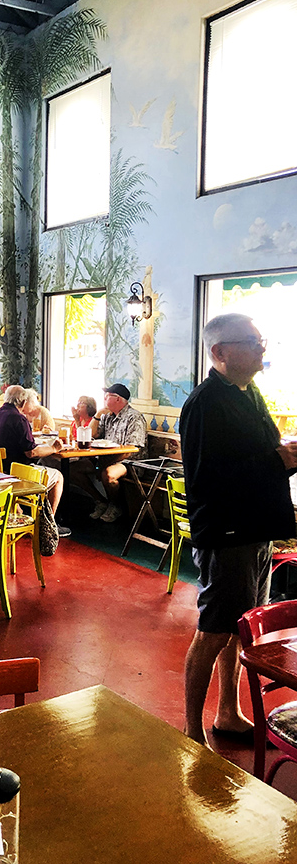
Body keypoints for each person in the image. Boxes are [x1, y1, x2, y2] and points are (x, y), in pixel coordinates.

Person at [180, 313, 297, 748]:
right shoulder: (205, 404)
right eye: (251, 341)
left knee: (241, 625)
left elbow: (263, 455)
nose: (262, 348)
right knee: (213, 630)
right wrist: (277, 461)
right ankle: (191, 730)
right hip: (226, 534)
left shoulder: (249, 394)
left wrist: (284, 454)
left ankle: (228, 711)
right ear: (220, 353)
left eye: (262, 339)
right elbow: (208, 479)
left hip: (255, 529)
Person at [0, 385, 70, 535]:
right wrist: (55, 449)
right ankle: (48, 526)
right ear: (22, 402)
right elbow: (31, 452)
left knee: (40, 467)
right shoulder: (18, 419)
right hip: (13, 476)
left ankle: (19, 515)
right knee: (58, 477)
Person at [66, 383, 146, 523]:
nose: (104, 399)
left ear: (117, 399)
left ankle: (115, 506)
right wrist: (97, 416)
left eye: (107, 396)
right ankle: (101, 501)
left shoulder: (135, 418)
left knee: (108, 475)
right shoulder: (107, 416)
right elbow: (90, 436)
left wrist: (105, 463)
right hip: (105, 459)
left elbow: (132, 449)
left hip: (130, 462)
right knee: (72, 469)